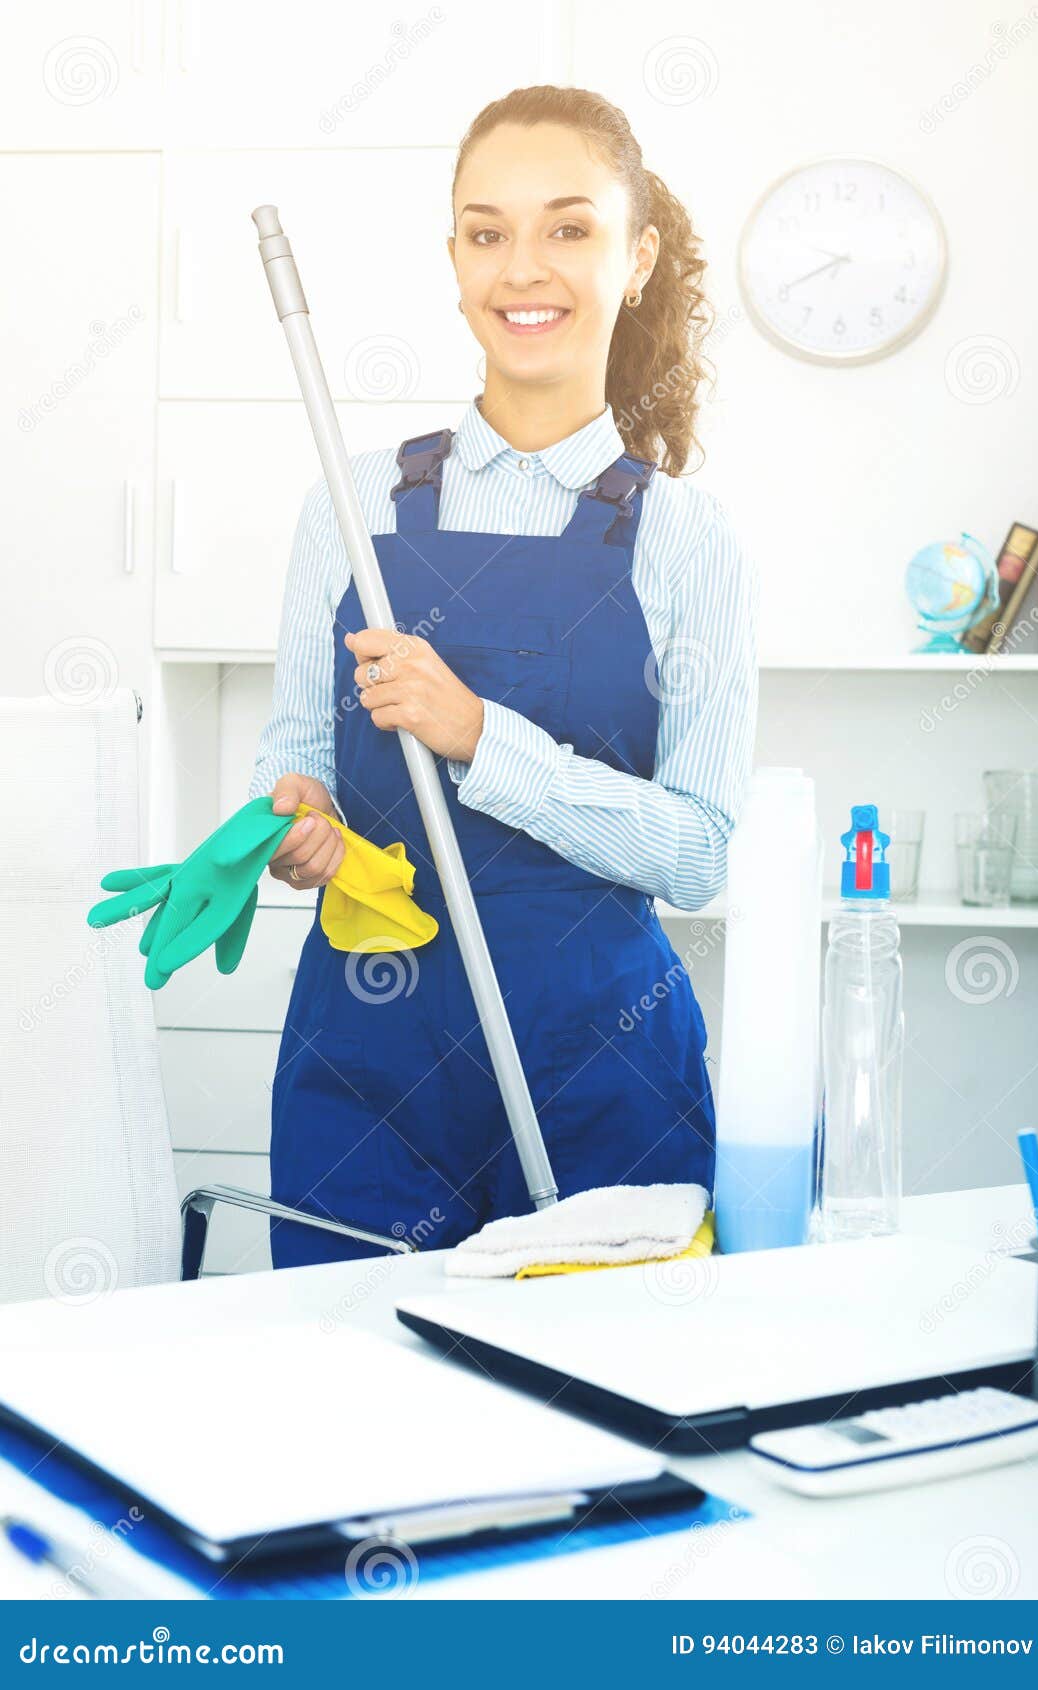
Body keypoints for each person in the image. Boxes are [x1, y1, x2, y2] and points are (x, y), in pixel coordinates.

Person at [249, 84, 758, 1268]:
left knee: (605, 1424)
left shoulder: (686, 538)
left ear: (636, 259)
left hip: (602, 1066)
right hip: (366, 1058)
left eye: (567, 228)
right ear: (455, 259)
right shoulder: (350, 500)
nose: (522, 267)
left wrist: (483, 736)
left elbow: (698, 853)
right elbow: (295, 758)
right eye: (488, 232)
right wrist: (295, 825)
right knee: (358, 1410)